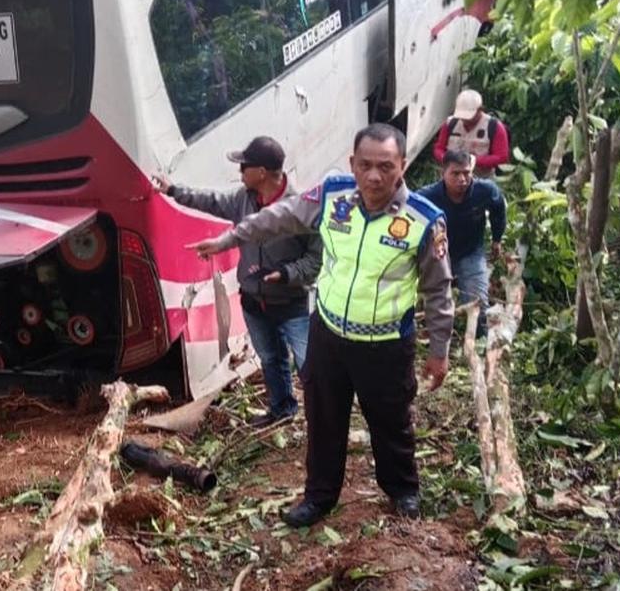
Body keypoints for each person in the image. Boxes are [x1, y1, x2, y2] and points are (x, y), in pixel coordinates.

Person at [187, 123, 454, 526]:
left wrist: (439, 351)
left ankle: (402, 491)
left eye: (386, 166)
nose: (374, 176)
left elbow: (438, 291)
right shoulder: (332, 196)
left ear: (402, 166)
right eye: (365, 165)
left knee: (391, 421)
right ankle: (319, 497)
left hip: (386, 345)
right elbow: (279, 217)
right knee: (324, 419)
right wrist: (230, 239)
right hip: (328, 335)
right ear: (352, 163)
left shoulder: (424, 220)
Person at [154, 136, 321, 427]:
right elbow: (210, 200)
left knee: (310, 365)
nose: (239, 171)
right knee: (270, 358)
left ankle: (323, 419)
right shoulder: (243, 199)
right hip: (254, 301)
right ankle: (282, 409)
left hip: (291, 303)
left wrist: (286, 274)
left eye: (244, 166)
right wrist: (173, 191)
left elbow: (316, 261)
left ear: (262, 172)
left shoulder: (301, 207)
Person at [417, 149, 506, 337]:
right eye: (455, 174)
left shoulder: (485, 191)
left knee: (477, 306)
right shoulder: (427, 197)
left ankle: (479, 343)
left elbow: (499, 209)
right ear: (443, 173)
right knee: (434, 308)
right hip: (438, 255)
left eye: (466, 173)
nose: (462, 179)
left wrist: (497, 239)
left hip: (470, 252)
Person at [433, 89, 510, 178]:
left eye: (469, 116)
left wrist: (473, 160)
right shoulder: (450, 124)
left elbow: (501, 157)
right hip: (451, 178)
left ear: (480, 110)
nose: (465, 120)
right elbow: (439, 148)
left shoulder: (494, 127)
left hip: (482, 178)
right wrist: (446, 158)